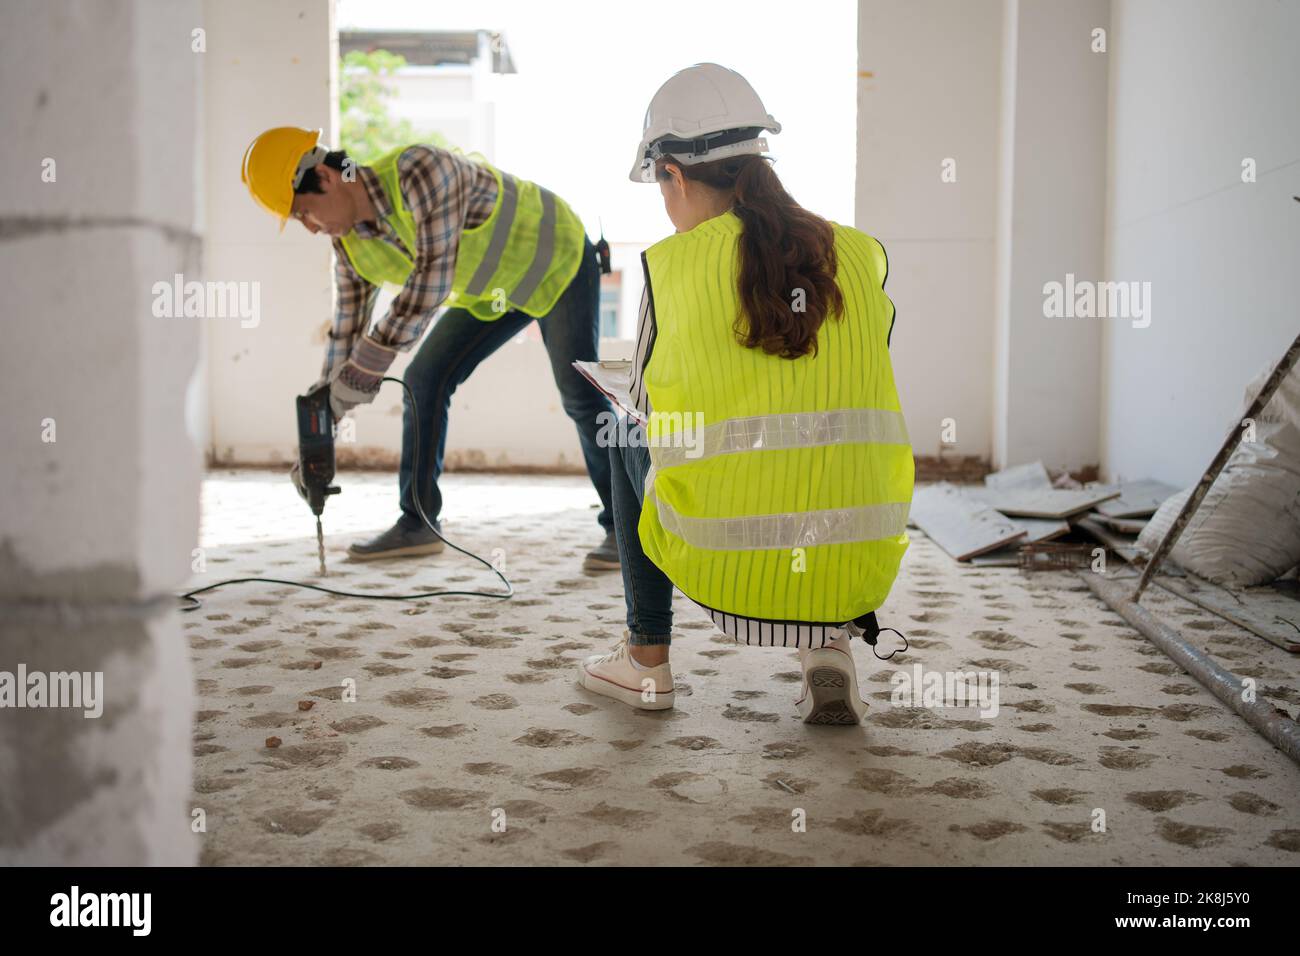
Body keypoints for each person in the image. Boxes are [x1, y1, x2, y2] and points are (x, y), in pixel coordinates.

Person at [576, 64, 914, 725]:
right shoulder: (859, 252)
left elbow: (647, 404)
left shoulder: (673, 267)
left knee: (620, 428)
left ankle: (646, 661)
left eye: (661, 190)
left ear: (672, 174)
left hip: (725, 560)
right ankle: (827, 645)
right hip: (859, 560)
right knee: (819, 463)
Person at [239, 128, 619, 570]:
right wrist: (319, 429)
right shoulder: (349, 246)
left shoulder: (418, 170)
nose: (310, 228)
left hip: (558, 261)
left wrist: (360, 376)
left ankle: (625, 530)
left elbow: (431, 282)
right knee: (423, 381)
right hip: (491, 294)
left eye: (304, 212)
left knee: (580, 396)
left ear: (324, 177)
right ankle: (417, 523)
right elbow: (345, 335)